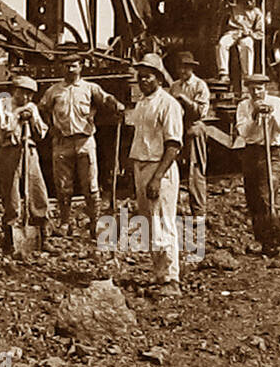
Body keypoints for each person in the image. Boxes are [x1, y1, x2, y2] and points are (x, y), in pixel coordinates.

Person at [38, 55, 124, 240]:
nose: (70, 69)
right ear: (62, 67)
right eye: (67, 66)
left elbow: (106, 99)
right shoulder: (54, 91)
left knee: (91, 185)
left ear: (81, 67)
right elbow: (42, 108)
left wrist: (116, 105)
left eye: (74, 66)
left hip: (85, 141)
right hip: (62, 143)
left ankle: (95, 224)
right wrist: (50, 127)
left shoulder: (90, 88)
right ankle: (65, 223)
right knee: (63, 186)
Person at [125, 53, 184, 296]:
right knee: (150, 224)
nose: (143, 81)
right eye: (140, 77)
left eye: (148, 77)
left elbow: (173, 144)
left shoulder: (168, 104)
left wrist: (157, 177)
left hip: (160, 167)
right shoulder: (142, 103)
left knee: (164, 222)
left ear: (159, 78)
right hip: (141, 165)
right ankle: (159, 274)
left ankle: (171, 278)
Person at [233, 73, 280, 256]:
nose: (256, 92)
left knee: (267, 195)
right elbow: (243, 132)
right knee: (253, 198)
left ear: (265, 89)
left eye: (259, 88)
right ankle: (261, 239)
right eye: (252, 89)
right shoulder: (243, 106)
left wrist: (271, 114)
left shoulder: (276, 102)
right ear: (248, 90)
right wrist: (254, 115)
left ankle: (275, 240)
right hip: (252, 152)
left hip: (271, 153)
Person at [0, 75, 50, 252]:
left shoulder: (31, 107)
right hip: (9, 150)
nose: (25, 98)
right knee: (11, 195)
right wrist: (18, 115)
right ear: (14, 91)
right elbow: (4, 127)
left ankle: (43, 235)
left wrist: (32, 118)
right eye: (22, 93)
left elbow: (42, 133)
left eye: (30, 95)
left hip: (29, 151)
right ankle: (10, 236)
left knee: (38, 191)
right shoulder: (3, 104)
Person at [168, 51, 210, 224]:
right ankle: (175, 207)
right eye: (180, 67)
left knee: (195, 170)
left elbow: (200, 112)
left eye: (186, 67)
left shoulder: (200, 86)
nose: (183, 71)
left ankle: (199, 212)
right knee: (173, 168)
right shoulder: (175, 86)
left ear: (192, 68)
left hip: (194, 128)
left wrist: (185, 100)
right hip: (179, 128)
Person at [215, 0, 264, 80]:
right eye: (247, 0)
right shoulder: (236, 8)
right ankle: (223, 73)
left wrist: (249, 33)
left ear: (255, 2)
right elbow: (222, 9)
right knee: (222, 43)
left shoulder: (258, 13)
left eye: (251, 1)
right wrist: (225, 0)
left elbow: (260, 33)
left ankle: (247, 75)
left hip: (247, 34)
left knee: (247, 45)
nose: (248, 3)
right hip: (232, 32)